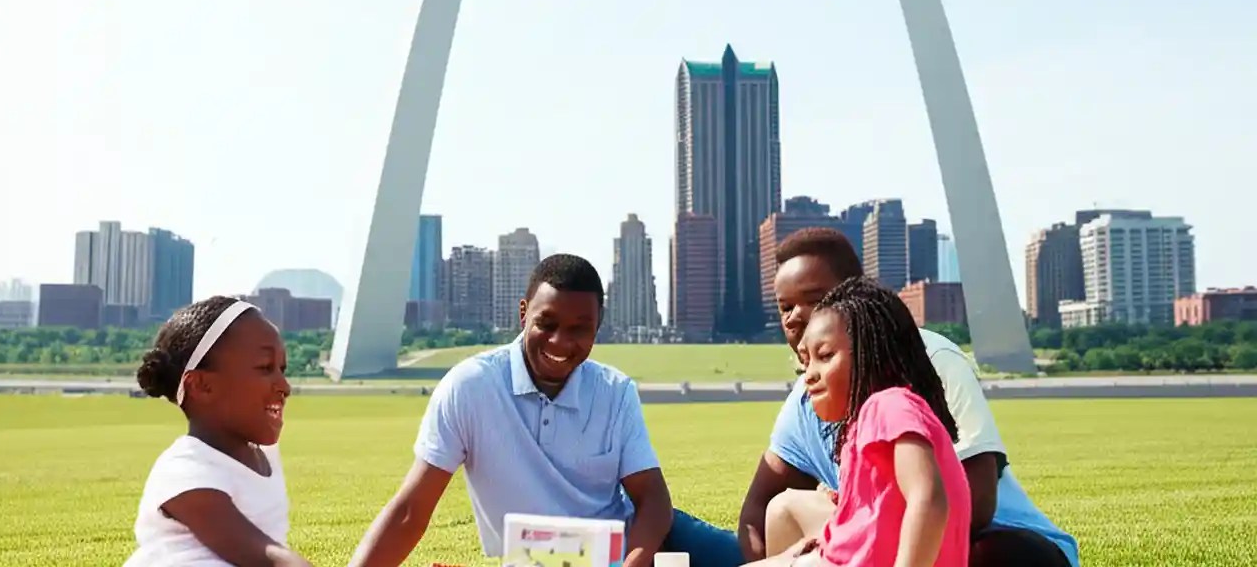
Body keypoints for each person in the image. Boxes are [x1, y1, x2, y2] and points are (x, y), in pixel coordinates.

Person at [737, 228, 1078, 567]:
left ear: (859, 301)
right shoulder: (813, 394)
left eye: (816, 300)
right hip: (881, 535)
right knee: (783, 508)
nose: (796, 316)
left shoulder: (909, 378)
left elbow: (953, 501)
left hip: (1000, 545)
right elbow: (759, 507)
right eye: (785, 307)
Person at [347, 254, 674, 567]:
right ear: (523, 313)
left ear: (597, 326)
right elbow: (410, 511)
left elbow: (653, 499)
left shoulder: (615, 392)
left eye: (579, 329)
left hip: (631, 550)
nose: (560, 342)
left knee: (723, 553)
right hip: (532, 562)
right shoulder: (470, 387)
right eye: (546, 323)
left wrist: (631, 564)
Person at [745, 277, 971, 567]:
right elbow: (885, 505)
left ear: (872, 354)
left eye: (825, 356)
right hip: (845, 554)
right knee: (783, 508)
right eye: (806, 361)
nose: (809, 375)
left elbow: (929, 499)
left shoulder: (889, 404)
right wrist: (848, 500)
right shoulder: (863, 423)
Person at [125, 296, 310, 567]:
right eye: (264, 368)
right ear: (202, 386)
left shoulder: (264, 456)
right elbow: (263, 556)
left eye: (282, 370)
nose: (284, 386)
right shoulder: (186, 469)